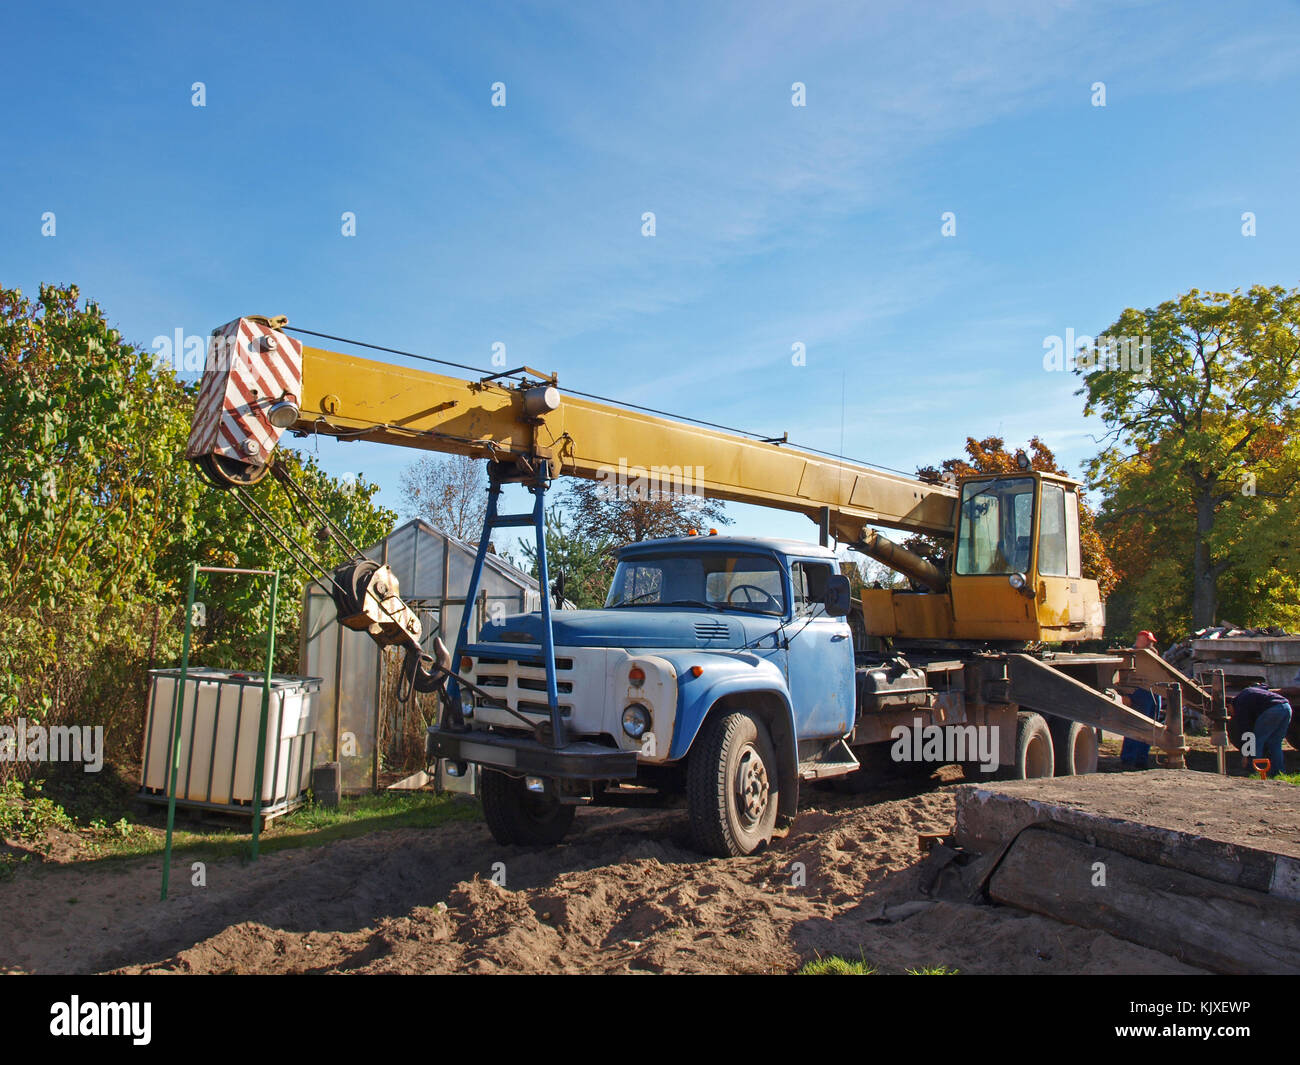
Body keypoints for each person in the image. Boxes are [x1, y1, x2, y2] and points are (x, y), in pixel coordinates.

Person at [1120, 631, 1162, 769]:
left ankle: (1141, 759)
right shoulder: (1131, 655)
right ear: (1140, 640)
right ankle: (1129, 759)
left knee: (1150, 727)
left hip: (1154, 692)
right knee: (1135, 726)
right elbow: (1123, 676)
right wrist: (1125, 695)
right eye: (1147, 640)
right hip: (1138, 693)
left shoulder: (1152, 654)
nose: (1151, 643)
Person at [1232, 686, 1293, 778]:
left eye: (1230, 712)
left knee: (1257, 741)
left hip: (1272, 710)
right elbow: (1265, 687)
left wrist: (1246, 755)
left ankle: (1254, 771)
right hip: (1286, 707)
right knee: (1275, 743)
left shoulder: (1240, 704)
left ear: (1229, 705)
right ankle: (1279, 772)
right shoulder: (1250, 692)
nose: (1232, 714)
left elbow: (1247, 731)